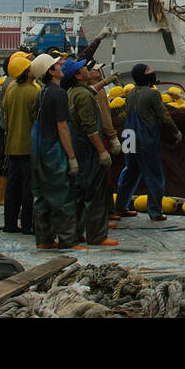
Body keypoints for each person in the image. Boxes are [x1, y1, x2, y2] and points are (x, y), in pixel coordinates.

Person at [114, 63, 181, 222]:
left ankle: (120, 207)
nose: (152, 72)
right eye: (148, 70)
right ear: (144, 76)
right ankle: (155, 211)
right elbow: (164, 116)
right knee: (154, 173)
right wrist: (175, 132)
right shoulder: (152, 94)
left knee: (130, 170)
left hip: (128, 134)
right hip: (144, 136)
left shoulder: (129, 93)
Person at [28, 53, 80, 250]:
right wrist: (72, 156)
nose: (60, 66)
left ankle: (44, 239)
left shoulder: (42, 92)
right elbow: (62, 127)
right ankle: (68, 240)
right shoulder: (58, 94)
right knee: (62, 196)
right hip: (53, 150)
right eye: (57, 65)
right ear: (51, 71)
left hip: (39, 147)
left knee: (41, 197)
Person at [62, 59, 116, 247]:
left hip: (78, 149)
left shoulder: (72, 92)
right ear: (78, 76)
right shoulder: (84, 97)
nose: (87, 69)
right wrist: (102, 150)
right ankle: (98, 236)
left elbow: (89, 92)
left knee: (77, 193)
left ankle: (76, 234)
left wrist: (105, 82)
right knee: (95, 193)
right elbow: (90, 127)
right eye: (84, 68)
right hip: (89, 150)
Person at [0, 53, 37, 234]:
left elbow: (6, 119)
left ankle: (9, 223)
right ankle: (27, 225)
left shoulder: (11, 92)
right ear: (27, 73)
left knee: (12, 188)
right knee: (28, 188)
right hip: (29, 147)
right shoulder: (34, 93)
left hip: (12, 146)